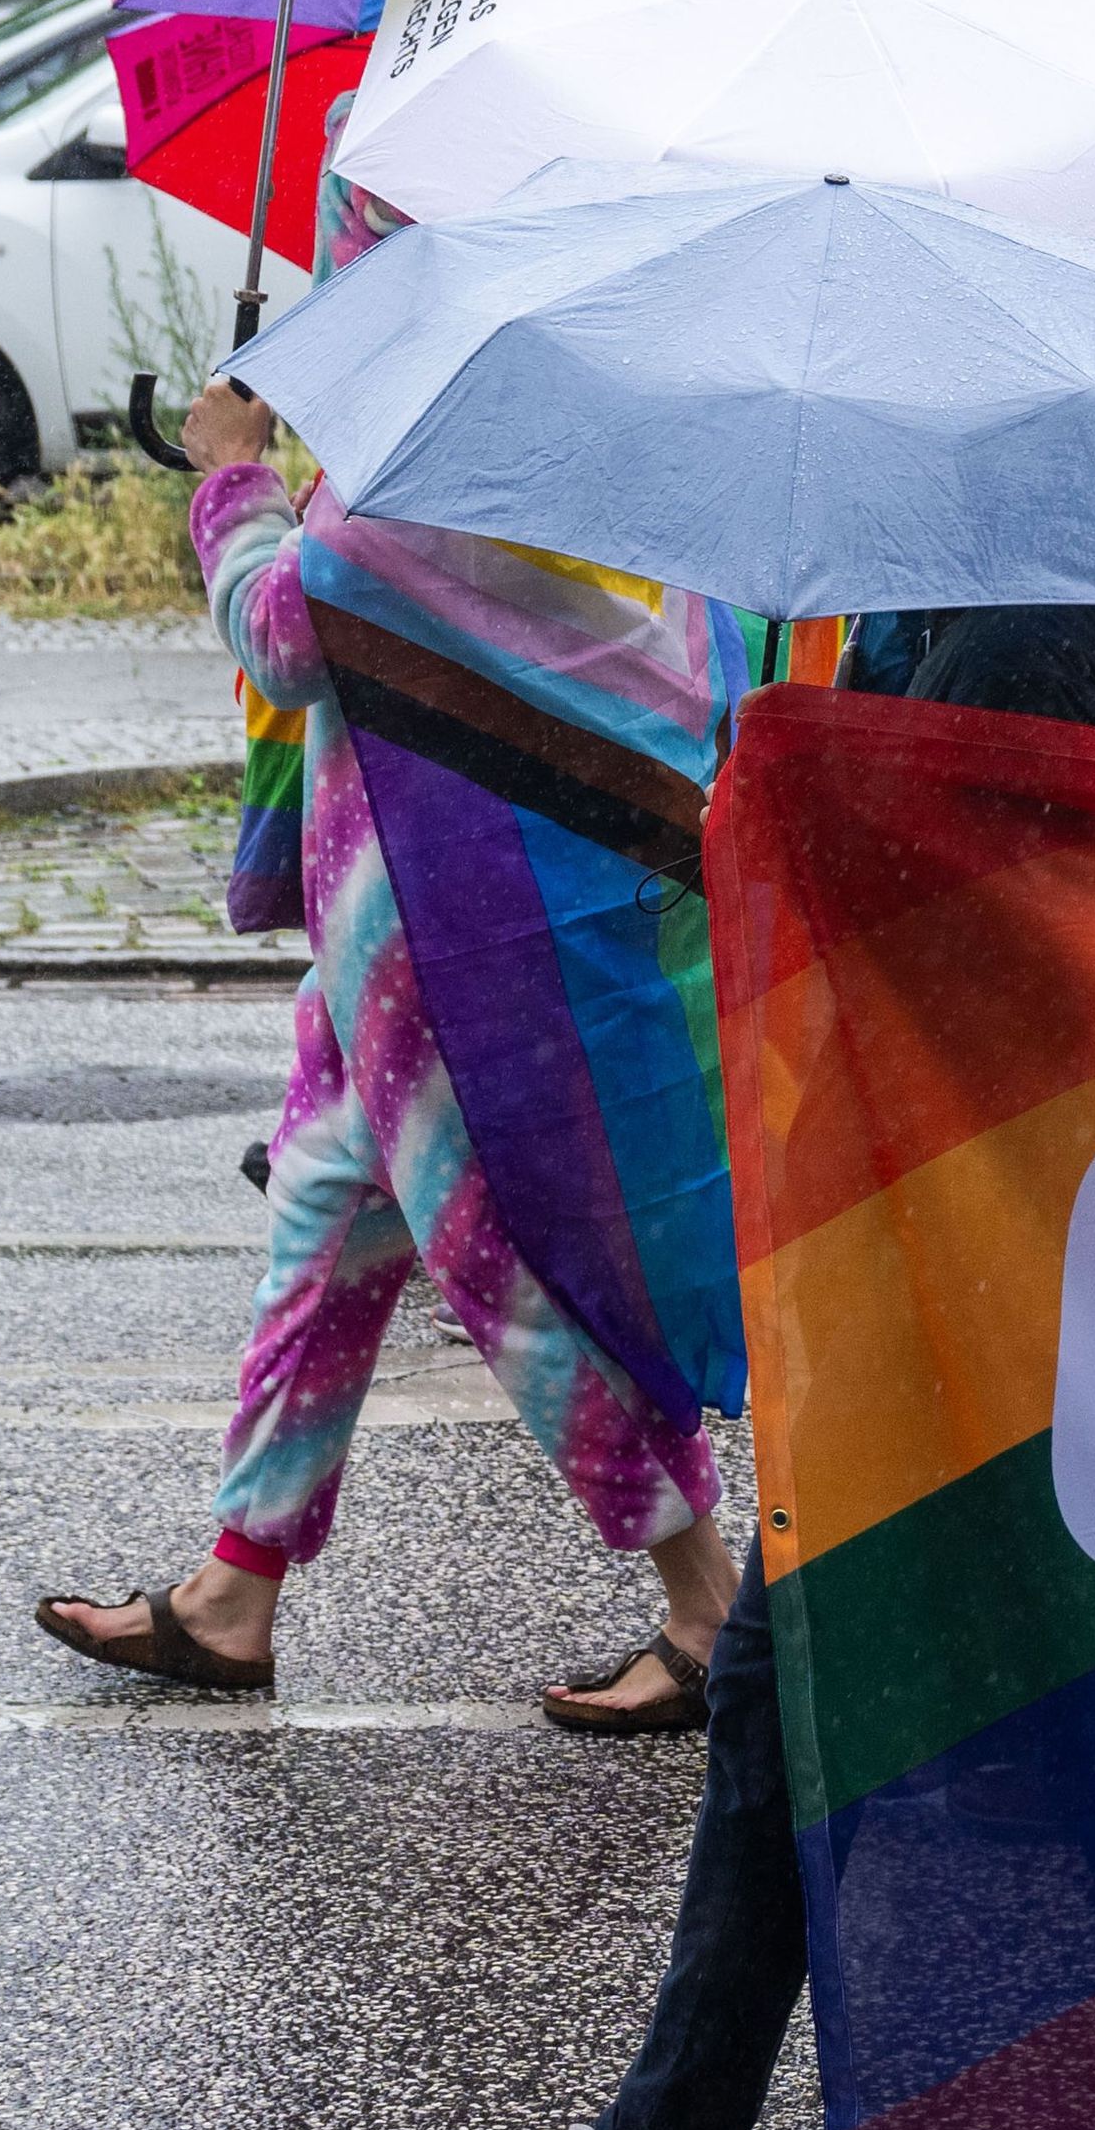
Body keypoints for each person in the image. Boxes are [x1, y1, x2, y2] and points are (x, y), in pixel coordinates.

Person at [398, 605, 1095, 2130]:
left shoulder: (1025, 629)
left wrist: (795, 835)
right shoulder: (966, 598)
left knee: (929, 1696)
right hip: (969, 1241)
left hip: (989, 1252)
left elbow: (1018, 935)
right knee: (969, 1704)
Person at [37, 381, 741, 1725]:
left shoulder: (430, 467)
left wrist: (233, 476)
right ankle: (233, 1592)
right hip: (479, 921)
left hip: (458, 943)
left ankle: (707, 1603)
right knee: (326, 1222)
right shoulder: (620, 446)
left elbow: (286, 635)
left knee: (512, 1270)